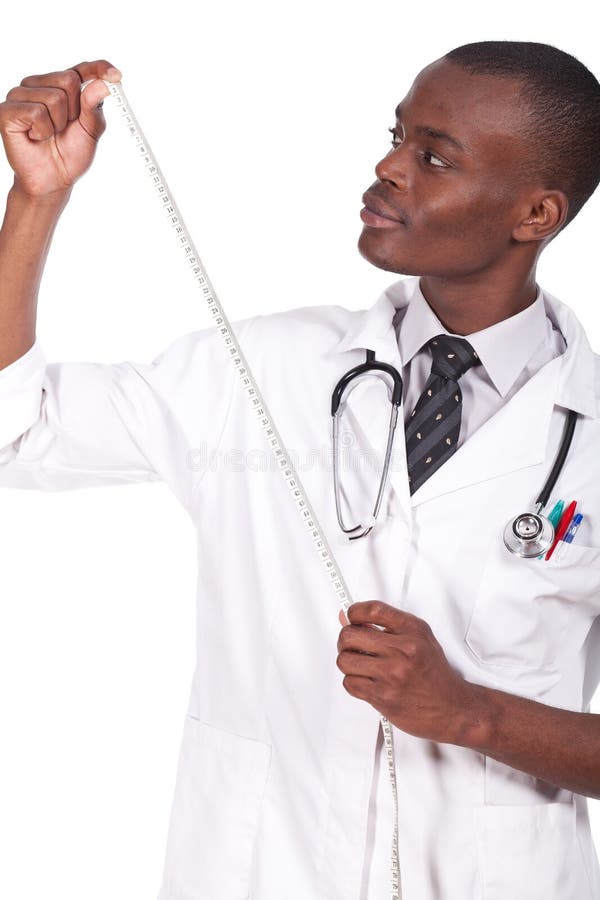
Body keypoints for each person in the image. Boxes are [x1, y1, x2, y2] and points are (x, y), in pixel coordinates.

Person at [1, 39, 600, 900]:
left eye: (433, 156)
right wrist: (34, 202)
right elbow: (12, 432)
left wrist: (472, 713)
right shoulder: (265, 367)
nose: (388, 166)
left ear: (536, 214)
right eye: (396, 135)